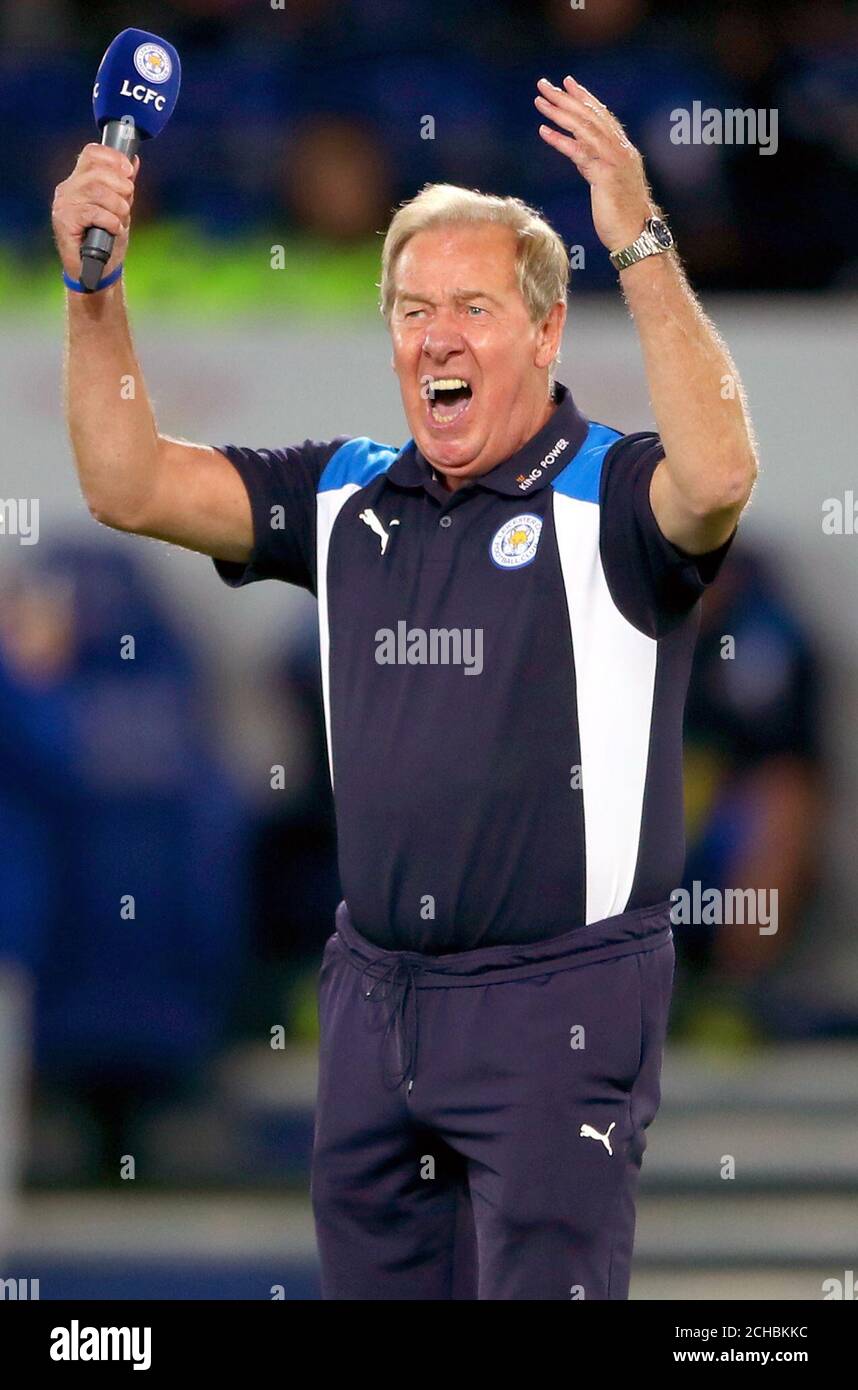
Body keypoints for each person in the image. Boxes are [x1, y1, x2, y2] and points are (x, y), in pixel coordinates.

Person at [53, 74, 758, 1300]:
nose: (436, 336)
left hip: (560, 999)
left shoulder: (610, 491)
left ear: (545, 332)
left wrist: (640, 240)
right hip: (374, 993)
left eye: (474, 308)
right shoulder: (344, 493)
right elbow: (128, 484)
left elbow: (721, 471)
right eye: (413, 308)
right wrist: (94, 288)